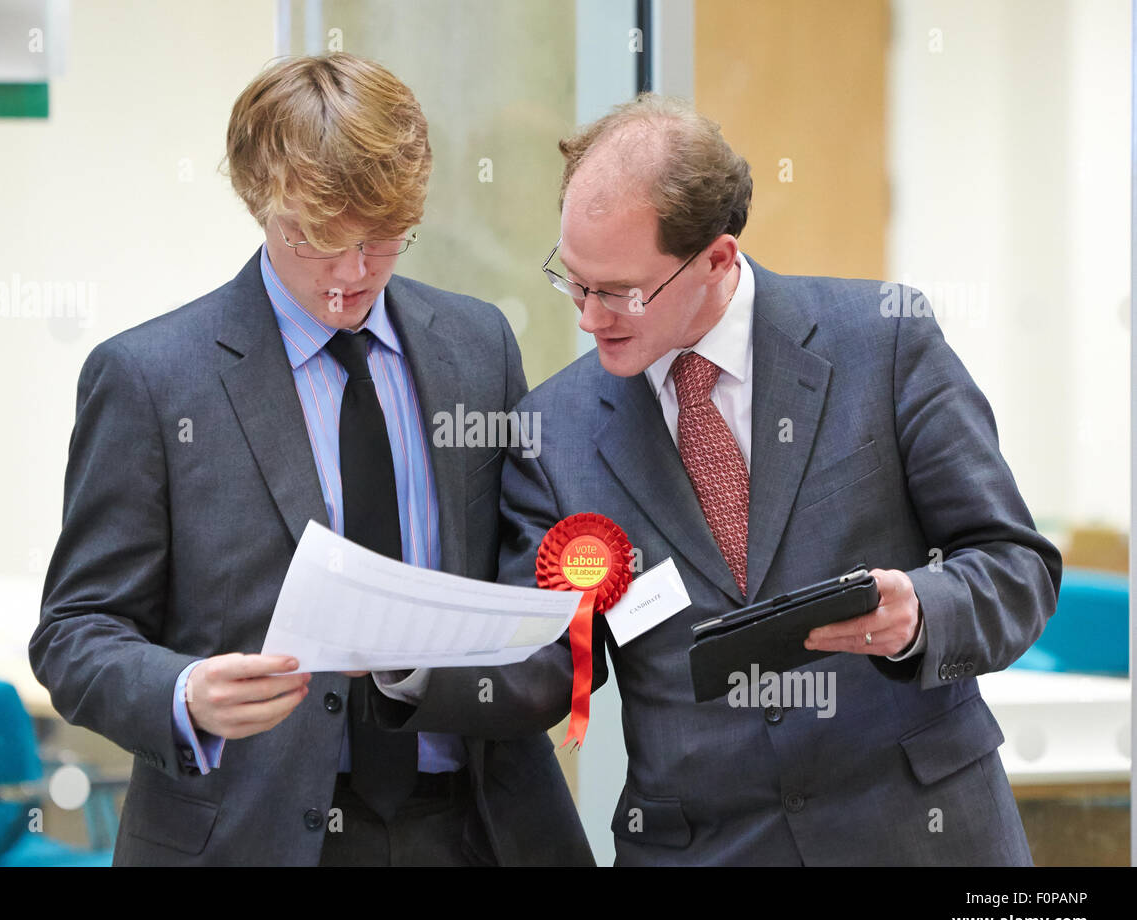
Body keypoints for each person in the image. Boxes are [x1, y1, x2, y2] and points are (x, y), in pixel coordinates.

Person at [366, 93, 1062, 865]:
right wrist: (406, 659)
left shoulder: (882, 342)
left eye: (621, 291)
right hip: (704, 848)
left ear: (717, 260)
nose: (589, 317)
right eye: (575, 280)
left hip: (918, 830)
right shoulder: (551, 431)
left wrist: (921, 612)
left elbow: (1017, 568)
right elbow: (547, 661)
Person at [29, 52, 592, 866]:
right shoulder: (152, 380)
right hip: (249, 832)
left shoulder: (477, 348)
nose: (351, 274)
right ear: (259, 202)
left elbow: (530, 587)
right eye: (318, 239)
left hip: (476, 827)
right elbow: (75, 634)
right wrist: (185, 692)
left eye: (382, 240)